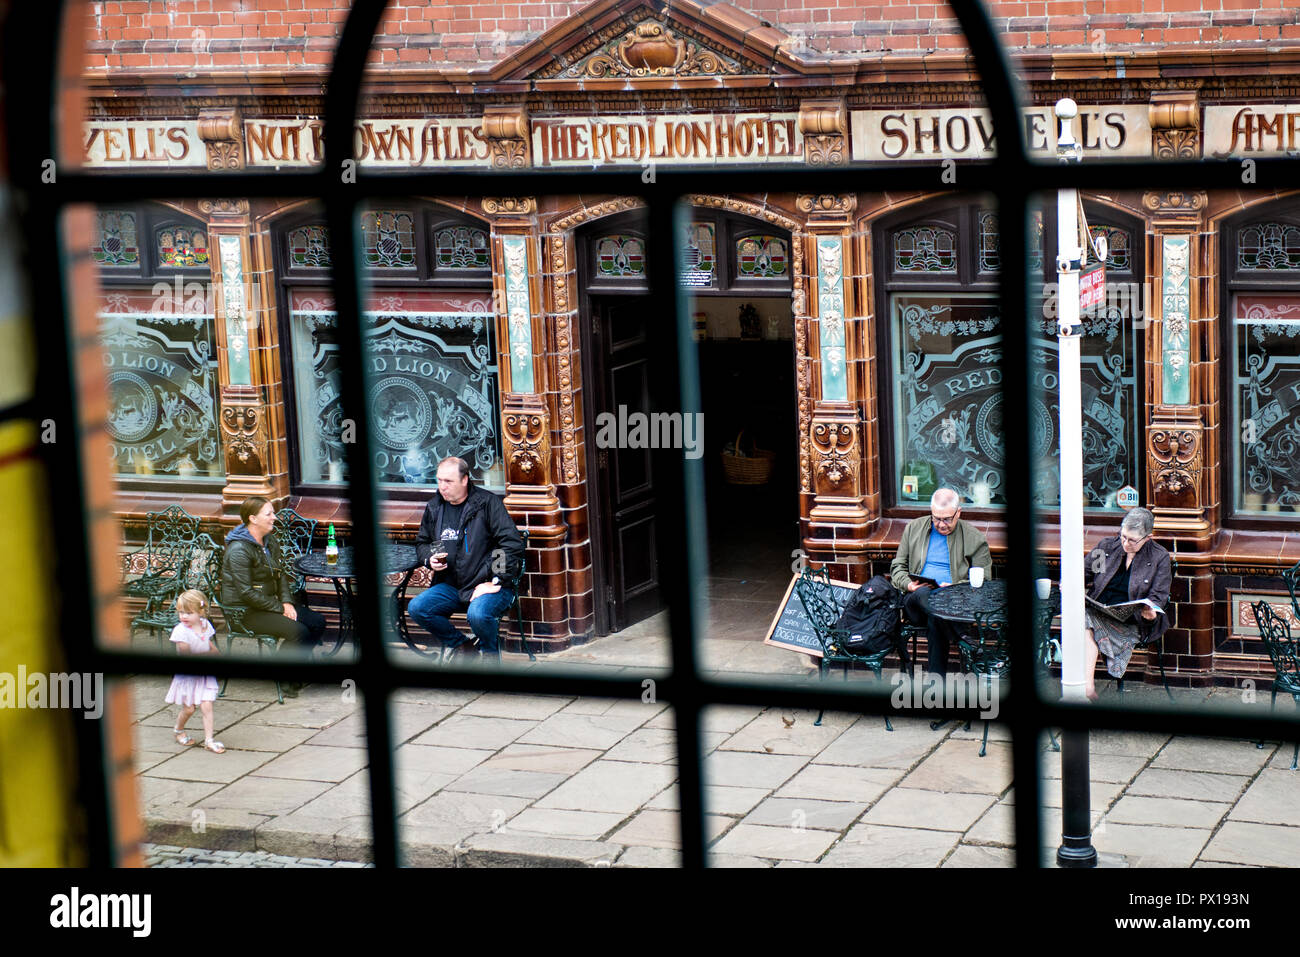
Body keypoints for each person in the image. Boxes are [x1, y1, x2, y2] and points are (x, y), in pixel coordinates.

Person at [407, 456, 525, 659]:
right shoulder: (435, 507)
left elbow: (510, 543)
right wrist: (429, 559)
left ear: (464, 480)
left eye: (448, 481)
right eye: (439, 480)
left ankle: (489, 655)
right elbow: (422, 543)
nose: (442, 487)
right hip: (451, 586)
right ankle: (464, 646)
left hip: (487, 585)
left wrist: (497, 580)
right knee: (418, 608)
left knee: (477, 614)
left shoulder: (487, 503)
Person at [221, 495, 326, 696]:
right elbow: (246, 593)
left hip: (267, 605)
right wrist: (280, 608)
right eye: (268, 514)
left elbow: (280, 577)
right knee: (299, 632)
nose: (274, 518)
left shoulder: (270, 541)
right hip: (244, 612)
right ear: (253, 518)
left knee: (317, 622)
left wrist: (286, 602)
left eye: (273, 513)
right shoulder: (238, 551)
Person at [889, 487, 993, 677]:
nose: (940, 524)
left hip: (952, 604)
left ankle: (937, 683)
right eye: (936, 518)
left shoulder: (974, 537)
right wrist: (909, 584)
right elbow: (897, 567)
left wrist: (956, 588)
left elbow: (984, 578)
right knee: (925, 595)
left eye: (946, 519)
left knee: (936, 616)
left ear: (958, 513)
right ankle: (962, 637)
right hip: (916, 600)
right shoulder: (914, 528)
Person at [1083, 506, 1171, 701]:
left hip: (1131, 622)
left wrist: (1150, 613)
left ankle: (1086, 687)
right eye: (1123, 536)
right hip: (1098, 610)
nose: (1125, 543)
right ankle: (1088, 687)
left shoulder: (1159, 557)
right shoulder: (1107, 547)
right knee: (1085, 619)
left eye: (1132, 540)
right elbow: (1085, 572)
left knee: (1085, 623)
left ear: (1148, 537)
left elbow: (1159, 596)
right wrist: (1069, 582)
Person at [166, 589, 225, 754]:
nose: (183, 616)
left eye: (188, 613)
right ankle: (178, 729)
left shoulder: (206, 625)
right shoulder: (180, 631)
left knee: (207, 706)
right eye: (181, 612)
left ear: (201, 612)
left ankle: (209, 740)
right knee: (189, 709)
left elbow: (209, 643)